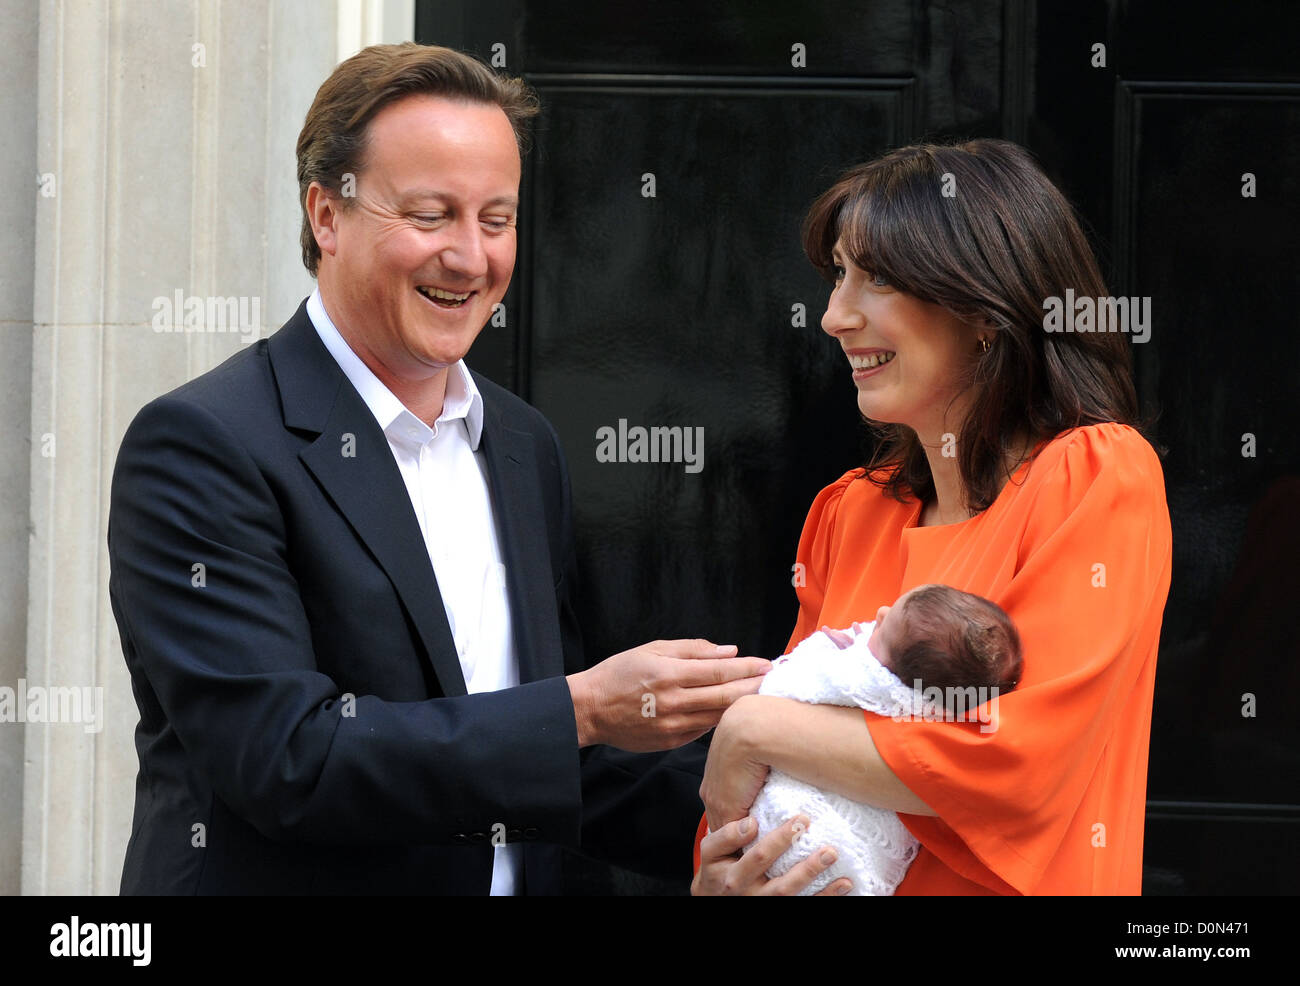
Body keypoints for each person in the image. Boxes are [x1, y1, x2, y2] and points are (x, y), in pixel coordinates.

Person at [107, 42, 770, 895]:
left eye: (496, 220)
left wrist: (780, 827)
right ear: (327, 215)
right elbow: (285, 760)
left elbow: (547, 761)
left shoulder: (522, 443)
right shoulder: (201, 444)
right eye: (430, 215)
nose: (470, 257)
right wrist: (582, 709)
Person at [692, 139, 1172, 896]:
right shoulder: (852, 510)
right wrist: (729, 875)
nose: (834, 317)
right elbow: (778, 765)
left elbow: (1018, 767)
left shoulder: (1095, 475)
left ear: (984, 307)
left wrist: (751, 728)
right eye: (839, 275)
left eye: (876, 278)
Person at [746, 584, 1022, 896]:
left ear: (891, 673)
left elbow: (781, 690)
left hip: (806, 829)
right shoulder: (943, 711)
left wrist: (815, 652)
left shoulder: (859, 678)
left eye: (884, 626)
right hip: (867, 861)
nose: (879, 613)